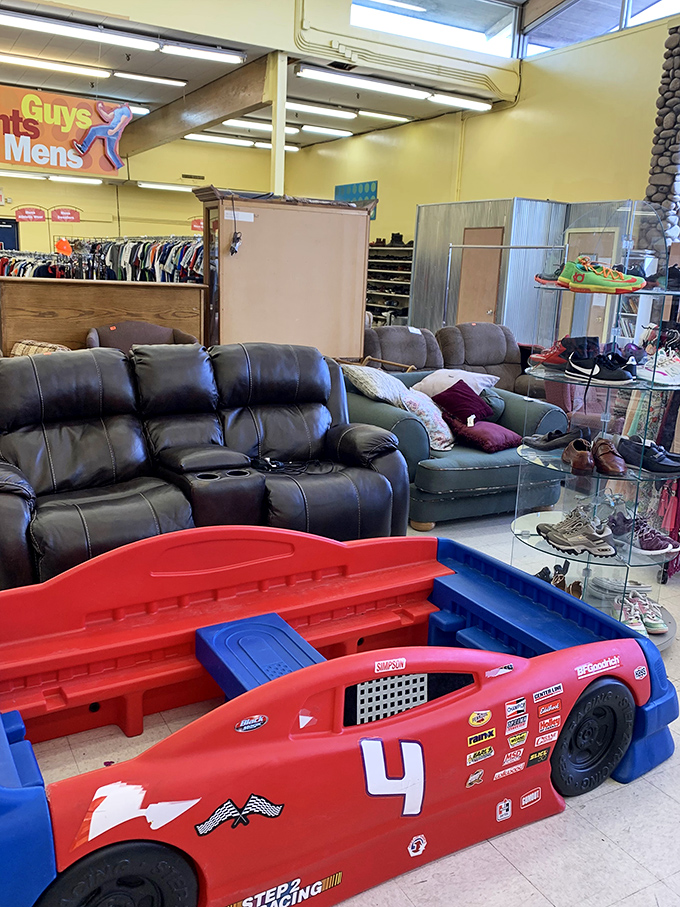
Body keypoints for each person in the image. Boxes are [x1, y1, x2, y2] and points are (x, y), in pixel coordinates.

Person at [72, 101, 132, 170]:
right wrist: (100, 108)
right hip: (113, 131)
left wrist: (114, 131)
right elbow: (107, 117)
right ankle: (118, 165)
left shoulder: (126, 110)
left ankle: (83, 148)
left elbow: (122, 122)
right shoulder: (118, 110)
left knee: (94, 130)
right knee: (110, 151)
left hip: (112, 129)